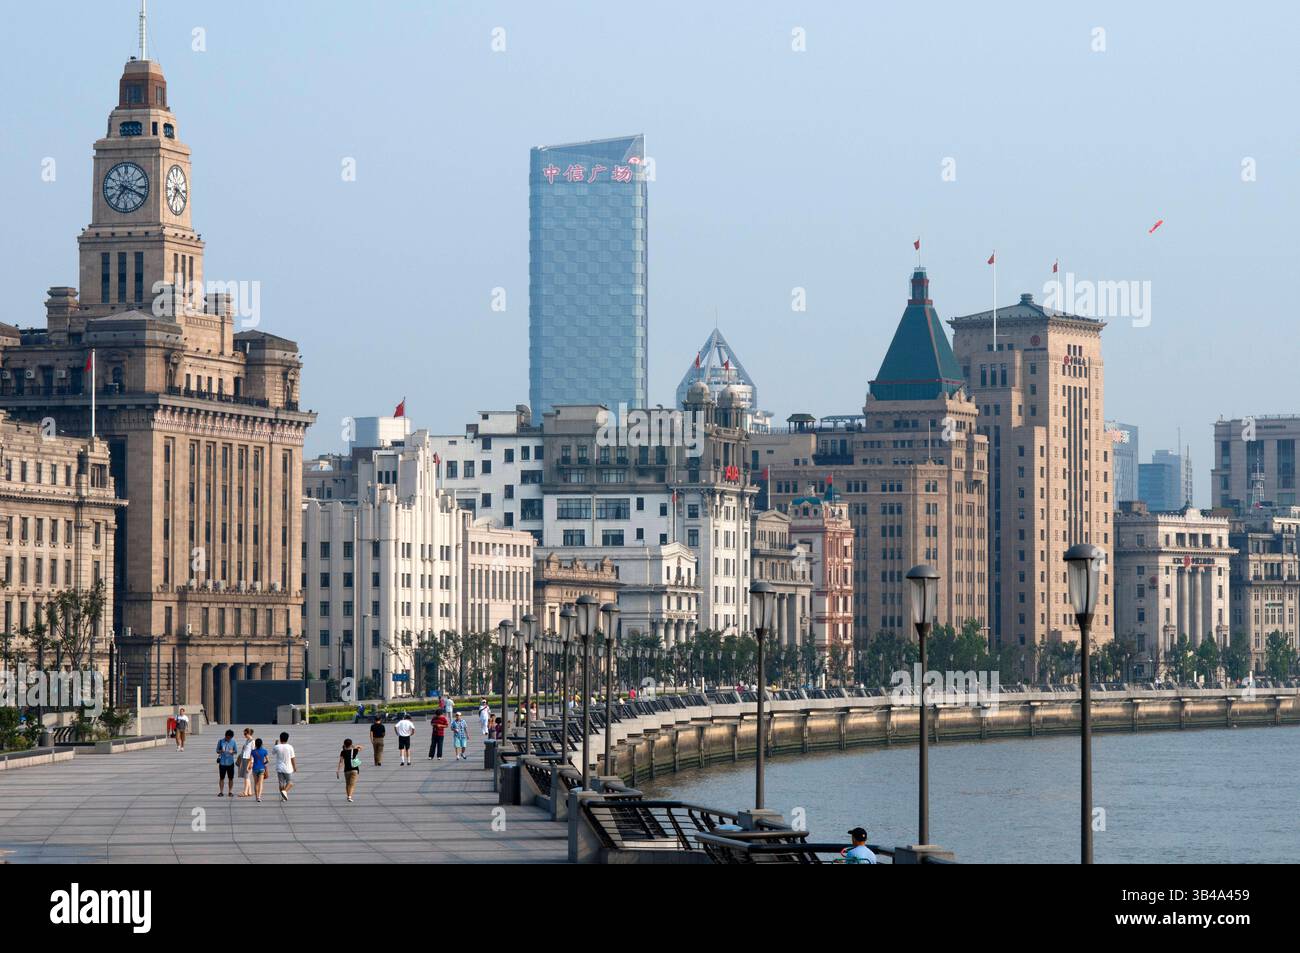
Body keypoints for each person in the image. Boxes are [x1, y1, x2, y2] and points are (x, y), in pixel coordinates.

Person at [273, 731, 298, 801]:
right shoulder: (290, 747)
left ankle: (283, 796)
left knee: (281, 784)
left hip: (279, 768)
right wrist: (294, 767)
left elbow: (273, 753)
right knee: (290, 782)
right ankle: (285, 792)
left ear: (280, 739)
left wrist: (275, 744)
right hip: (288, 768)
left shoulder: (277, 747)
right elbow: (292, 758)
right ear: (287, 739)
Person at [336, 738, 362, 802]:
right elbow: (361, 747)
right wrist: (353, 746)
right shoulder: (355, 750)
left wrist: (338, 770)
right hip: (354, 769)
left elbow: (341, 762)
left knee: (347, 784)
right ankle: (349, 797)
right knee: (352, 784)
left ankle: (348, 796)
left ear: (344, 744)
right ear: (351, 744)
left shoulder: (343, 752)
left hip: (347, 770)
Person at [216, 729, 239, 797]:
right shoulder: (220, 741)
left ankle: (230, 792)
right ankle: (221, 792)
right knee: (221, 778)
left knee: (231, 778)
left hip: (230, 762)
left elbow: (236, 751)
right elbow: (217, 750)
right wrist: (221, 751)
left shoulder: (233, 742)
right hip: (222, 763)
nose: (228, 739)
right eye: (228, 738)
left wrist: (232, 752)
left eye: (230, 738)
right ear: (225, 736)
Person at [238, 728, 256, 797]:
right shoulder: (247, 740)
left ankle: (245, 792)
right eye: (244, 734)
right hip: (244, 759)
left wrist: (251, 762)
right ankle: (249, 791)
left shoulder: (252, 741)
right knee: (247, 776)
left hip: (249, 760)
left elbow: (253, 752)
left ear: (249, 733)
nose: (244, 735)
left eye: (245, 734)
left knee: (246, 776)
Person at [250, 737, 269, 802]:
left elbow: (250, 760)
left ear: (255, 744)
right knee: (261, 783)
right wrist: (264, 763)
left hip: (255, 768)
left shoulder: (253, 752)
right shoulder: (264, 751)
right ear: (262, 744)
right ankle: (259, 797)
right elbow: (267, 760)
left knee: (256, 783)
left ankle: (256, 796)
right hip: (261, 768)